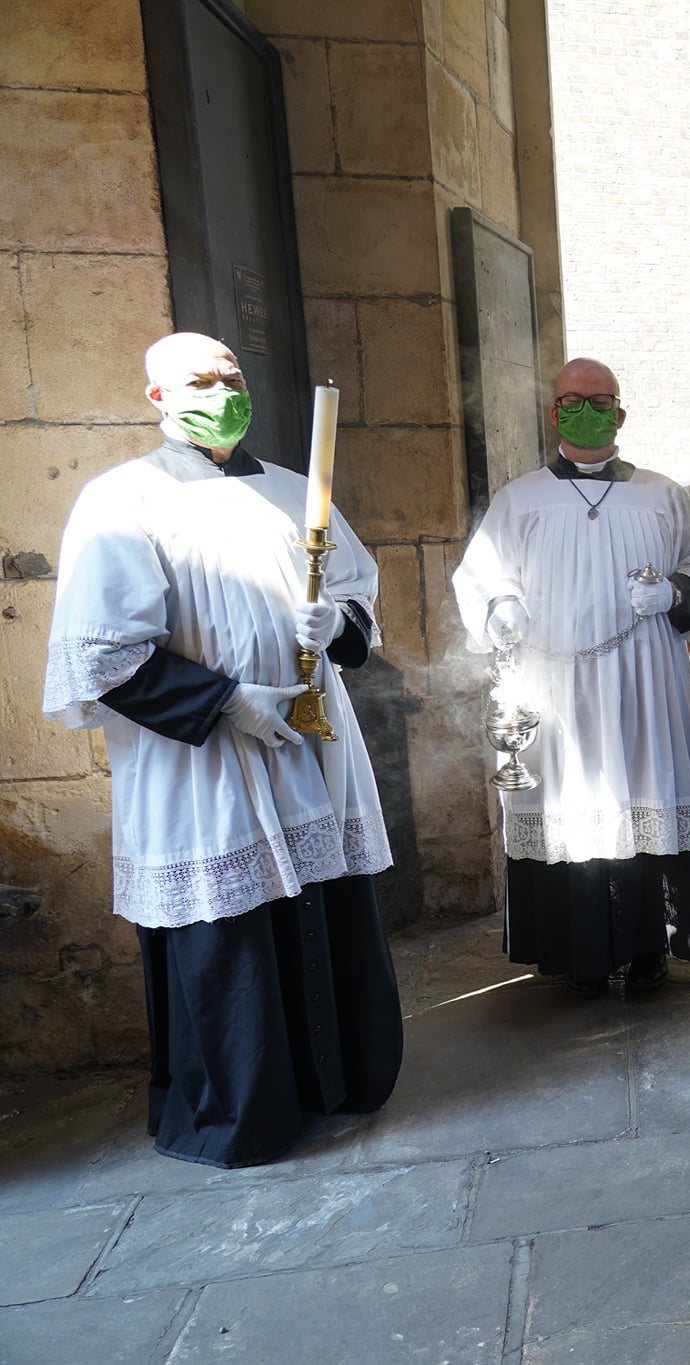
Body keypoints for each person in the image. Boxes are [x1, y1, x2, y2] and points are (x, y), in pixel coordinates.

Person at [42, 331, 401, 1167]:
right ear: (157, 398)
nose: (222, 390)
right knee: (232, 927)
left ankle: (338, 1080)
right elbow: (103, 653)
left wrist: (338, 623)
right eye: (200, 380)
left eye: (231, 375)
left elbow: (355, 592)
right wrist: (229, 702)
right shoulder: (121, 499)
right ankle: (244, 1109)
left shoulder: (291, 488)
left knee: (321, 903)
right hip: (205, 759)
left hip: (309, 743)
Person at [451, 357, 690, 996]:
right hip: (556, 685)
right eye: (573, 400)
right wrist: (501, 607)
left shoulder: (662, 494)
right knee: (567, 803)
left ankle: (649, 948)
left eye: (601, 400)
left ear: (621, 413)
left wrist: (676, 594)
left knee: (644, 793)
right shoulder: (520, 499)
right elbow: (480, 575)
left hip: (646, 679)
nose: (587, 410)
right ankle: (575, 947)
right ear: (554, 412)